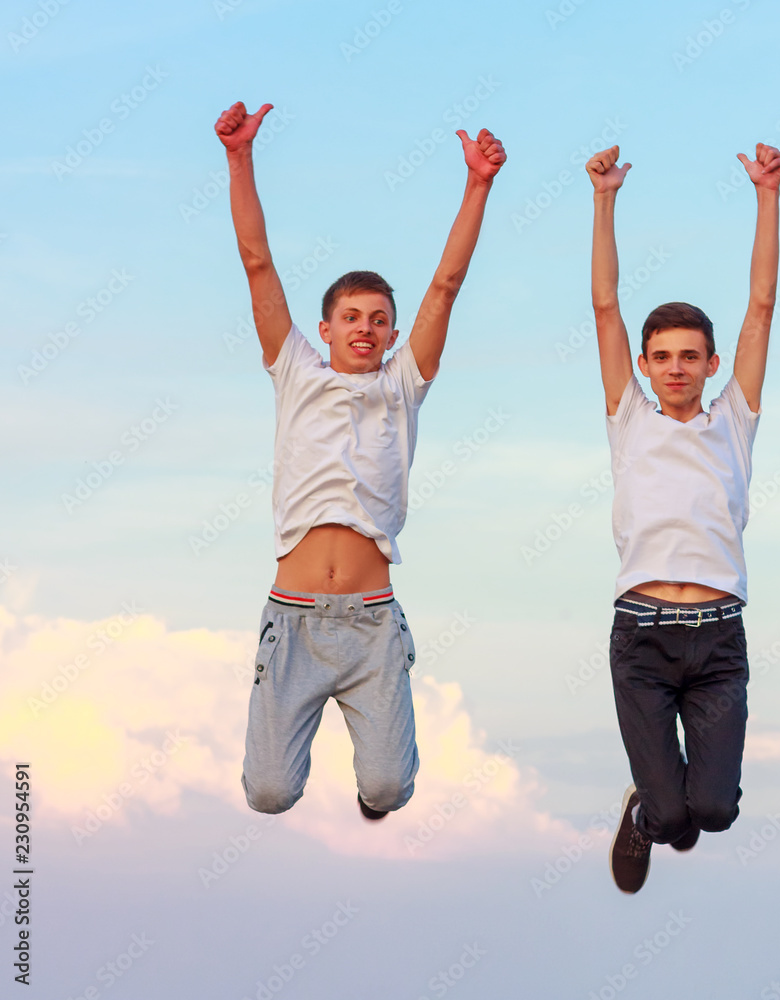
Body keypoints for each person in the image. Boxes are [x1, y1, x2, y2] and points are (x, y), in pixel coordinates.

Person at [214, 101, 506, 821]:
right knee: (270, 794)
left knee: (384, 789)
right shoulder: (296, 372)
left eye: (379, 319)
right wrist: (239, 157)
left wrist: (478, 185)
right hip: (295, 619)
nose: (366, 329)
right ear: (326, 328)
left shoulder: (401, 387)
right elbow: (257, 262)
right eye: (352, 317)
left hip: (373, 622)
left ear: (392, 332)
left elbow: (447, 286)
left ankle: (381, 785)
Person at [585, 141, 780, 892]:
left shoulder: (733, 419)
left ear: (709, 364)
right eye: (662, 355)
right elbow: (605, 306)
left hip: (718, 641)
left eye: (690, 355)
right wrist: (605, 199)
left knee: (715, 811)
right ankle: (646, 811)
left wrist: (767, 196)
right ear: (644, 365)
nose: (675, 366)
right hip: (641, 634)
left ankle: (668, 803)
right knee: (671, 821)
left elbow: (761, 306)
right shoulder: (629, 418)